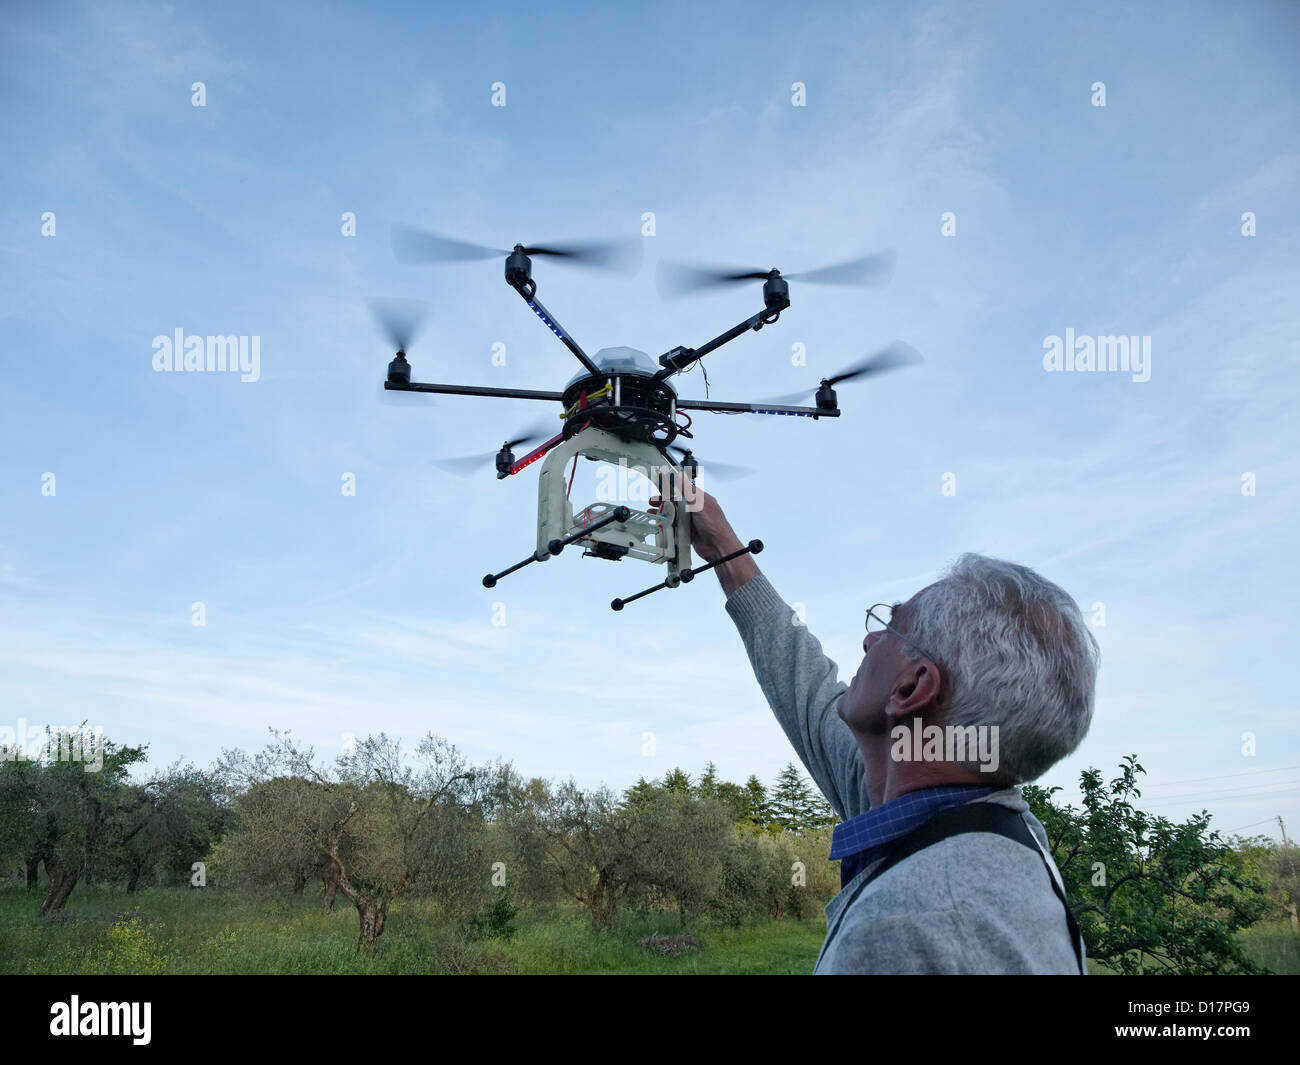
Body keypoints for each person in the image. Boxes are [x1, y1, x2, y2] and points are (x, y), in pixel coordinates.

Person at [660, 474, 1098, 974]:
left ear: (913, 689)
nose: (869, 642)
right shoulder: (970, 822)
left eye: (890, 626)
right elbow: (808, 690)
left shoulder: (911, 926)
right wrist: (723, 545)